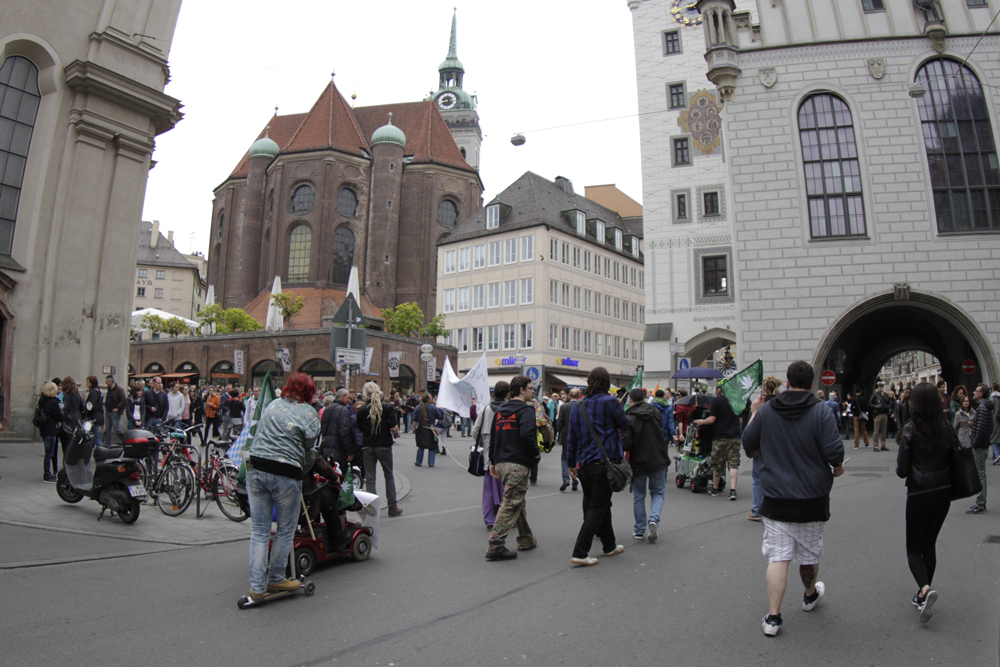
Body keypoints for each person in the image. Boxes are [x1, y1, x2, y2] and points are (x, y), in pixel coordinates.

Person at [741, 361, 845, 638]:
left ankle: (774, 617)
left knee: (778, 556)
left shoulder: (769, 410)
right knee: (809, 552)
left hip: (776, 494)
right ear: (812, 384)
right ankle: (810, 595)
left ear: (787, 382)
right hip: (813, 495)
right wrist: (837, 466)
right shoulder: (821, 411)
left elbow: (749, 444)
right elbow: (835, 452)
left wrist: (754, 413)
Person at [244, 372, 321, 602]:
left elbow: (258, 432)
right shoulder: (310, 414)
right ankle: (276, 577)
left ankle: (256, 587)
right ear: (309, 392)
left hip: (255, 466)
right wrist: (303, 469)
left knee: (259, 530)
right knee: (286, 529)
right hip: (286, 473)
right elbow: (310, 451)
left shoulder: (273, 404)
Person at [896, 382, 957, 623]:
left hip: (920, 492)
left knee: (913, 549)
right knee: (929, 544)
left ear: (916, 404)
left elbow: (901, 470)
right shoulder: (947, 428)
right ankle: (924, 593)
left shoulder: (911, 430)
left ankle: (924, 589)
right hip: (943, 491)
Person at [566, 367, 629, 566]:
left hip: (584, 463)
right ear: (606, 382)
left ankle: (609, 545)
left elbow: (572, 437)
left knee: (600, 504)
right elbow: (625, 424)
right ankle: (580, 551)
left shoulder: (578, 405)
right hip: (605, 461)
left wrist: (571, 463)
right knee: (598, 507)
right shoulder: (611, 402)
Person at [485, 375, 540, 561]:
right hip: (517, 462)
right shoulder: (526, 410)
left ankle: (526, 539)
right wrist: (536, 453)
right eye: (531, 388)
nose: (534, 391)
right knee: (510, 503)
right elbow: (527, 435)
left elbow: (494, 436)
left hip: (501, 462)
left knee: (517, 500)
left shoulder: (500, 410)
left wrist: (493, 461)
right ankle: (495, 545)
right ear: (522, 390)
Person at [623, 387, 669, 543]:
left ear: (630, 400)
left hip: (639, 460)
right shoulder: (655, 411)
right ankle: (654, 519)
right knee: (658, 492)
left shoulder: (629, 416)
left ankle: (639, 529)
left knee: (639, 496)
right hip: (658, 457)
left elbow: (627, 444)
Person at [357, 382, 402, 517]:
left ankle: (372, 508)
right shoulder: (386, 407)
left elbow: (360, 428)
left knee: (370, 478)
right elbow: (394, 427)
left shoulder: (361, 409)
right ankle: (392, 506)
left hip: (368, 445)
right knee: (388, 474)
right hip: (384, 445)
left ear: (366, 394)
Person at [693, 384, 743, 500]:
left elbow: (712, 419)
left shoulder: (717, 401)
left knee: (717, 463)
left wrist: (701, 421)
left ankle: (715, 488)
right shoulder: (736, 401)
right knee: (734, 463)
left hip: (721, 436)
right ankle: (733, 490)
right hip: (735, 436)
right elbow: (740, 421)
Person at [472, 381, 508, 529]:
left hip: (488, 454)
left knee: (488, 489)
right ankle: (504, 517)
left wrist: (483, 443)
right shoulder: (508, 409)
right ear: (507, 394)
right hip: (506, 454)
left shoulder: (485, 409)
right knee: (506, 487)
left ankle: (490, 519)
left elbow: (475, 431)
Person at [748, 376, 783, 522]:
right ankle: (777, 507)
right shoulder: (781, 403)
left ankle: (757, 510)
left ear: (764, 388)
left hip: (761, 446)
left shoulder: (760, 404)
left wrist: (754, 412)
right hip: (778, 446)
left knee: (757, 478)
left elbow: (750, 430)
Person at [966, 383, 993, 515]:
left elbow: (981, 429)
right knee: (981, 473)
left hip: (980, 445)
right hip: (983, 444)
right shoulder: (984, 407)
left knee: (980, 474)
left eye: (976, 391)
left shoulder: (982, 408)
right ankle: (981, 502)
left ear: (981, 394)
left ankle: (980, 503)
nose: (974, 393)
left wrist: (975, 443)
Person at [320, 389, 355, 474]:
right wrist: (350, 451)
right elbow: (345, 431)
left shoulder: (327, 409)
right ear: (342, 396)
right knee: (340, 476)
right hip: (339, 449)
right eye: (348, 398)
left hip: (326, 449)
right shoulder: (343, 410)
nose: (349, 401)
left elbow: (322, 429)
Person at [557, 388, 581, 491]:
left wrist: (559, 431)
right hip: (579, 437)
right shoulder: (581, 407)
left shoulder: (564, 407)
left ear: (569, 396)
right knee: (576, 458)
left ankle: (566, 478)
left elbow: (560, 423)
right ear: (579, 395)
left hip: (566, 436)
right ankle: (575, 480)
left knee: (565, 458)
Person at [38, 382, 63, 482]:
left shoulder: (42, 401)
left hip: (43, 429)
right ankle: (47, 475)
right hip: (50, 429)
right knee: (49, 453)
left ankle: (47, 474)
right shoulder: (53, 402)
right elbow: (60, 416)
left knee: (47, 453)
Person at [413, 393, 442, 467]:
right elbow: (439, 416)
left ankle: (418, 462)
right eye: (431, 398)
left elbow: (415, 420)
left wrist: (414, 428)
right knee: (432, 447)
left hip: (421, 429)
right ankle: (431, 463)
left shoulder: (418, 407)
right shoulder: (434, 407)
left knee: (421, 446)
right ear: (428, 399)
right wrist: (436, 421)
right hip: (431, 429)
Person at [82, 376, 106, 447]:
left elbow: (91, 406)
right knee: (93, 438)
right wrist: (102, 422)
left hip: (93, 418)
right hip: (97, 418)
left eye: (88, 382)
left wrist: (87, 414)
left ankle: (102, 452)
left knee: (95, 438)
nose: (86, 384)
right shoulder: (99, 392)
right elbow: (101, 408)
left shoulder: (93, 393)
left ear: (92, 383)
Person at [103, 375, 125, 444]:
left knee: (116, 428)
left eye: (107, 381)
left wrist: (118, 408)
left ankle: (124, 439)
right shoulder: (109, 389)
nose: (106, 383)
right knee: (107, 429)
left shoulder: (119, 389)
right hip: (108, 410)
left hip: (114, 411)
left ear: (111, 381)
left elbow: (123, 400)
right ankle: (108, 444)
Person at [870, 381, 891, 452]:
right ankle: (875, 445)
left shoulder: (886, 395)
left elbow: (889, 403)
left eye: (881, 387)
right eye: (879, 387)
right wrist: (875, 406)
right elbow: (870, 403)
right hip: (878, 414)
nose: (880, 388)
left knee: (884, 431)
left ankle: (883, 445)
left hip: (884, 413)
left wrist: (888, 407)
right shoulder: (875, 395)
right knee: (876, 430)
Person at [989, 382, 1000, 465]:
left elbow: (991, 409)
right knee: (999, 439)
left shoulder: (992, 397)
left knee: (992, 439)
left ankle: (997, 455)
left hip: (994, 419)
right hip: (999, 419)